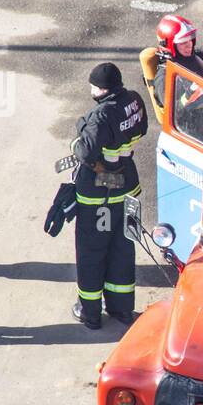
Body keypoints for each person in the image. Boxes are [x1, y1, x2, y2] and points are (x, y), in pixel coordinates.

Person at [71, 62, 148, 329]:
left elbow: (86, 152)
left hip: (100, 197)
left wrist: (80, 131)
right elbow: (142, 129)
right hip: (129, 189)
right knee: (123, 249)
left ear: (101, 88)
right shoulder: (135, 100)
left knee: (93, 252)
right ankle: (122, 309)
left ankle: (89, 312)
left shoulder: (101, 116)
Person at [138, 14, 203, 127]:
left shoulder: (198, 57)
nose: (189, 45)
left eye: (190, 40)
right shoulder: (165, 77)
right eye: (183, 42)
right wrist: (189, 95)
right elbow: (172, 115)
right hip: (193, 133)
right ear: (170, 45)